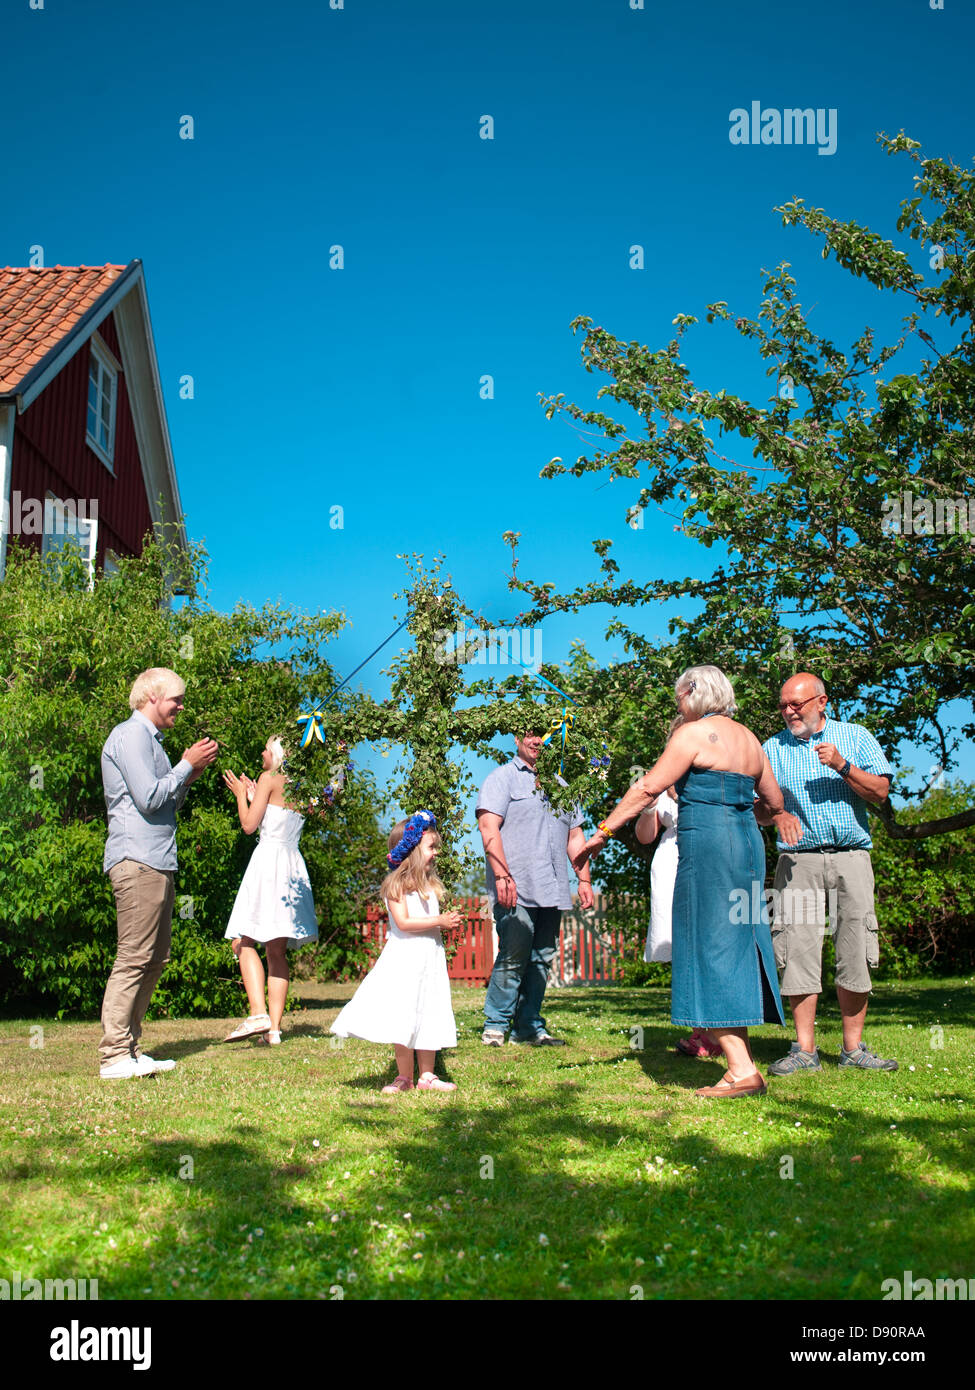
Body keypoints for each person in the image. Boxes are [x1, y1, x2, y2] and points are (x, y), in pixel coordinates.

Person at [575, 666, 793, 1099]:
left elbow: (646, 788)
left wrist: (600, 835)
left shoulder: (691, 734)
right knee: (735, 946)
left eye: (679, 695)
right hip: (748, 848)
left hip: (708, 847)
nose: (677, 704)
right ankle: (738, 1066)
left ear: (694, 692)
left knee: (707, 948)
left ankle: (743, 1069)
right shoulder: (749, 739)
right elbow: (773, 802)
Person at [758, 673, 897, 1075]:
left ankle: (853, 1049)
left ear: (822, 702)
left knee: (856, 948)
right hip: (797, 862)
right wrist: (778, 813)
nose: (788, 711)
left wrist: (842, 765)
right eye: (783, 704)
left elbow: (880, 792)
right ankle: (804, 1051)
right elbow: (757, 808)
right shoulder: (772, 749)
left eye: (796, 704)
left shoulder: (855, 736)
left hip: (852, 857)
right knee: (796, 950)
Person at [99, 667, 218, 1078]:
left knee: (154, 957)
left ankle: (130, 1049)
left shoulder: (154, 742)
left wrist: (190, 773)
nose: (181, 707)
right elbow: (150, 799)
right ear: (152, 695)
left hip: (158, 859)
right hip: (137, 860)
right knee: (134, 956)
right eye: (176, 700)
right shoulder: (130, 735)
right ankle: (113, 1055)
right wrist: (185, 765)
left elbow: (168, 803)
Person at [477, 729, 594, 1046]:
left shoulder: (562, 786)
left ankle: (528, 1027)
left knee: (542, 956)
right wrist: (502, 875)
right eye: (529, 734)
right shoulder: (502, 778)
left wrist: (583, 879)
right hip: (514, 885)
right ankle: (496, 1026)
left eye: (542, 735)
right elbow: (488, 826)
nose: (536, 740)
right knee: (514, 954)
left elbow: (575, 837)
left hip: (553, 887)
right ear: (517, 739)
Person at [331, 811, 462, 1093]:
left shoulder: (430, 886)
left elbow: (429, 924)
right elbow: (403, 923)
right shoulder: (396, 887)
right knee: (405, 1015)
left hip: (429, 961)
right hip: (405, 961)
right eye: (431, 847)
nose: (436, 852)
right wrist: (439, 921)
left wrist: (444, 923)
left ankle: (427, 1075)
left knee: (428, 1010)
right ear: (412, 851)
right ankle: (404, 1076)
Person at [221, 735, 320, 1045]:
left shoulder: (269, 777)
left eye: (265, 748)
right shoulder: (302, 786)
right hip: (292, 864)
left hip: (267, 864)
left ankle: (258, 1012)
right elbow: (279, 816)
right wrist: (256, 796)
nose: (261, 752)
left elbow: (250, 825)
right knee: (276, 951)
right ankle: (274, 1031)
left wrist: (241, 795)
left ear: (276, 753)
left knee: (243, 940)